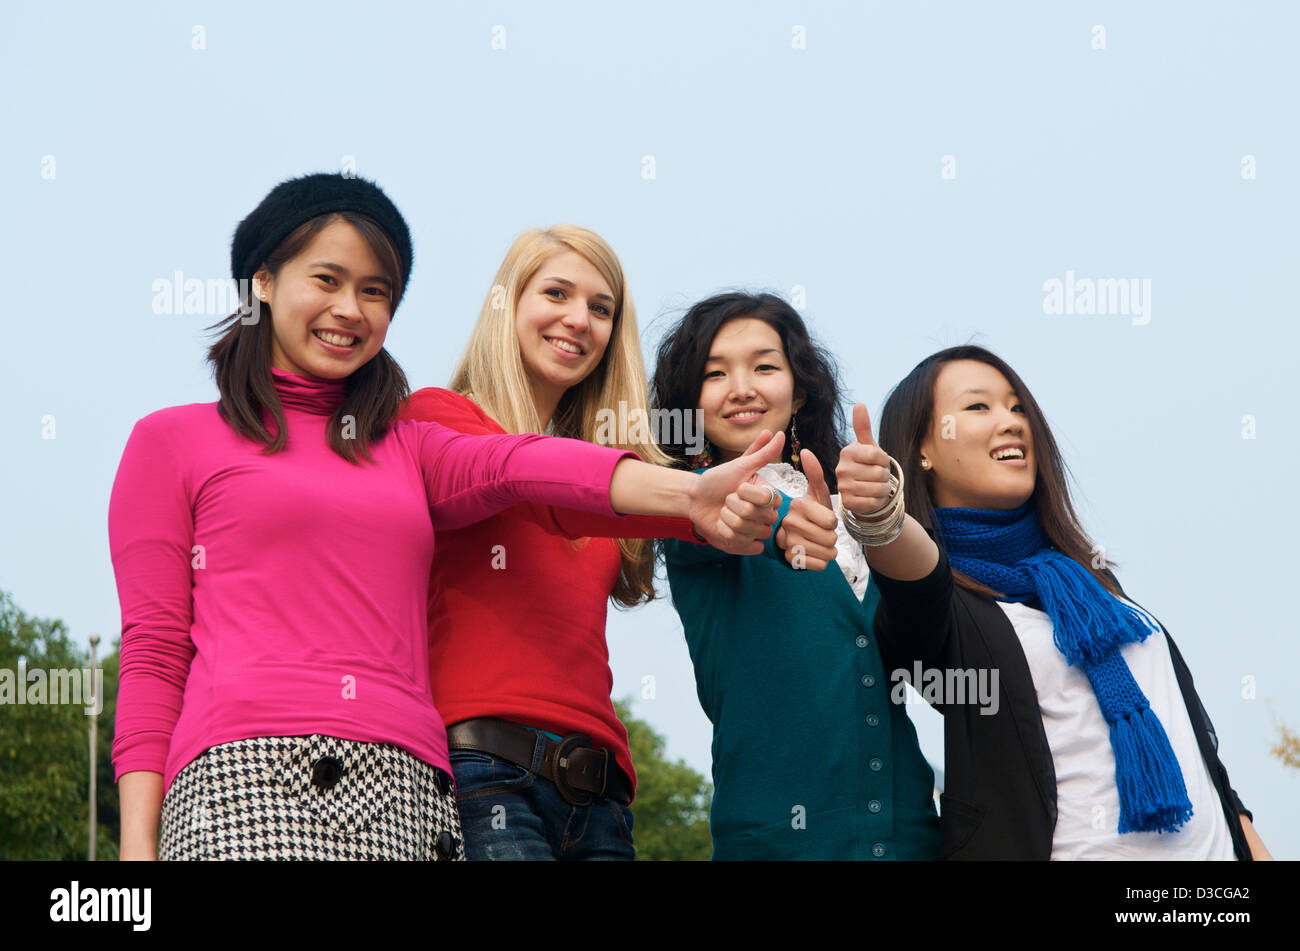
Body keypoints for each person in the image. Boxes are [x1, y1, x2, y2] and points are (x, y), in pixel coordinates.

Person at [109, 177, 786, 861]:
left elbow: (523, 467)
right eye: (327, 279)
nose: (350, 308)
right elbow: (154, 654)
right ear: (262, 281)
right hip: (242, 782)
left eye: (375, 291)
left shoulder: (410, 443)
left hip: (409, 790)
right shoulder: (172, 441)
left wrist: (690, 500)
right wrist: (137, 851)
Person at [399, 226, 787, 860]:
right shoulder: (438, 418)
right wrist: (691, 502)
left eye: (601, 309)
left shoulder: (612, 471)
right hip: (481, 773)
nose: (579, 320)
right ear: (507, 305)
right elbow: (526, 473)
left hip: (602, 798)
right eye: (557, 293)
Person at [847, 344, 1272, 859]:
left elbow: (1200, 752)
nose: (1011, 422)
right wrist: (880, 516)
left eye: (1017, 406)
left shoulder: (1090, 585)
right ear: (922, 450)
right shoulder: (948, 609)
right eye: (979, 407)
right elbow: (913, 580)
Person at [650, 292, 942, 860]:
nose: (742, 387)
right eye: (714, 373)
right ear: (689, 404)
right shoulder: (687, 509)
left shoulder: (858, 509)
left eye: (764, 366)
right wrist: (778, 521)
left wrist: (882, 509)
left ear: (799, 388)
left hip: (910, 835)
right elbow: (732, 516)